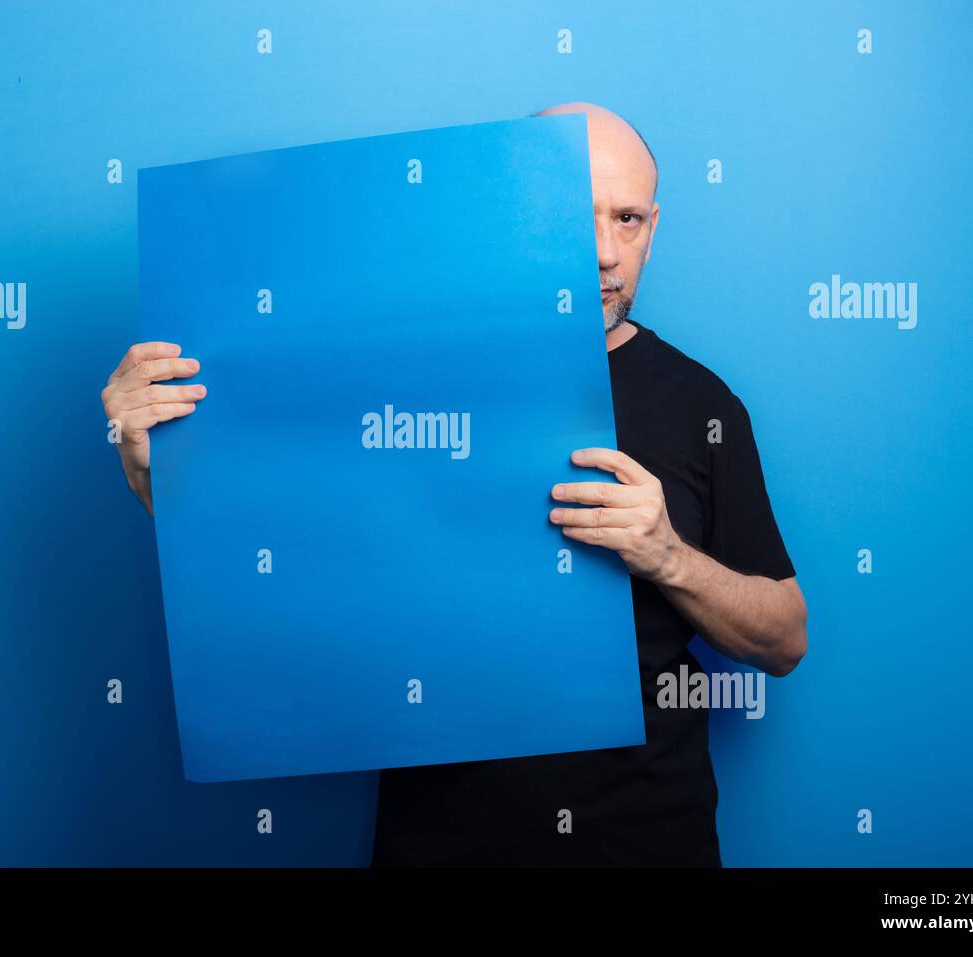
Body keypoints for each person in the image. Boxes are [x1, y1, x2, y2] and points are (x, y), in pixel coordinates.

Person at [101, 101, 807, 866]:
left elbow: (784, 638)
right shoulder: (397, 381)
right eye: (574, 213)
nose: (605, 251)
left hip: (646, 836)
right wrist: (152, 468)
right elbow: (276, 567)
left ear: (654, 229)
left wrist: (668, 555)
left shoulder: (702, 404)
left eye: (629, 219)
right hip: (438, 838)